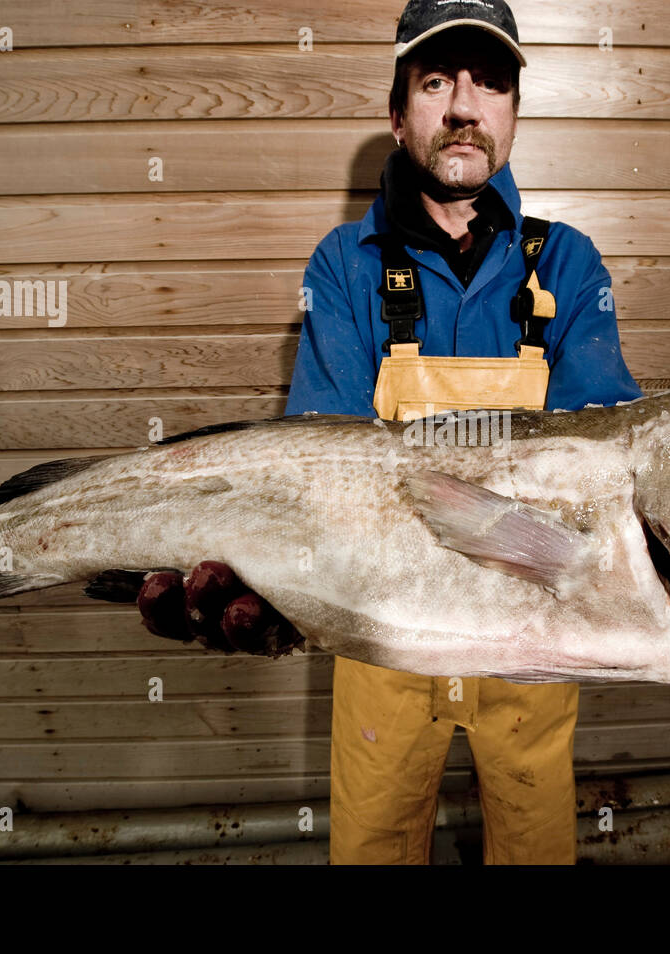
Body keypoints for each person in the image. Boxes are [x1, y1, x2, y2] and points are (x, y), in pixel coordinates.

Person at [137, 0, 641, 865]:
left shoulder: (567, 264)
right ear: (398, 112)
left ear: (513, 112)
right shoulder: (344, 265)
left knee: (537, 846)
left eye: (489, 84)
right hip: (383, 628)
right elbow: (319, 461)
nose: (462, 106)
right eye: (435, 81)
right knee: (372, 844)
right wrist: (273, 571)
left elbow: (605, 457)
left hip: (529, 631)